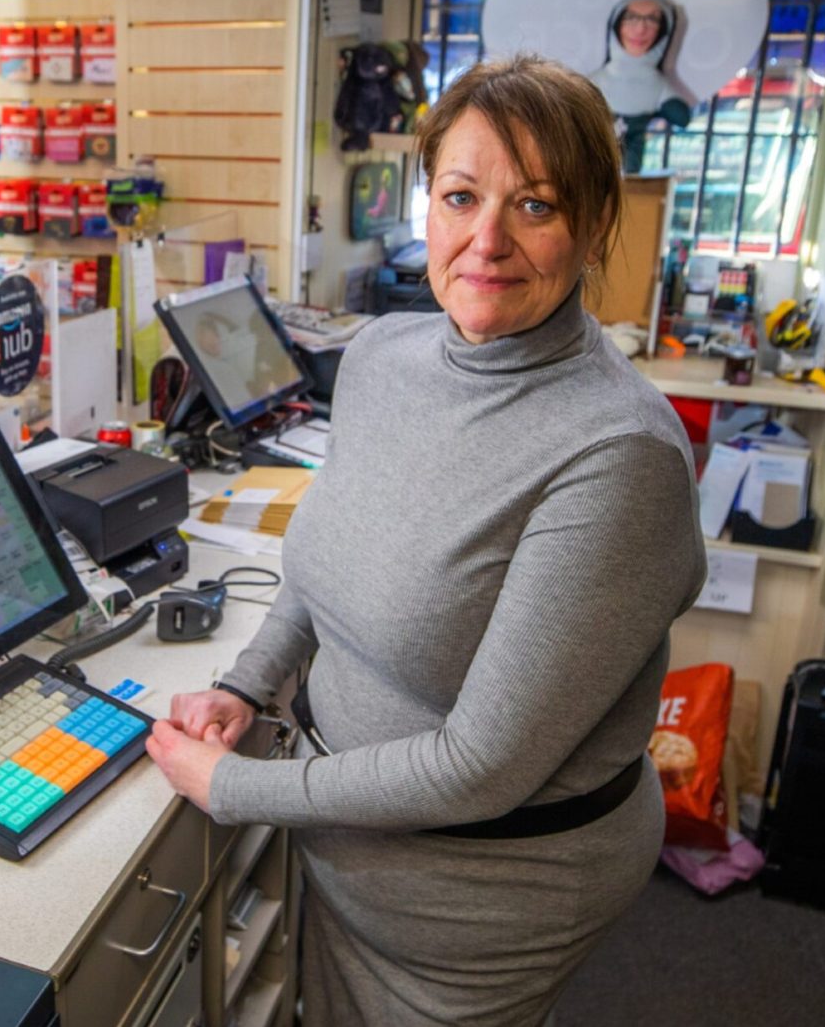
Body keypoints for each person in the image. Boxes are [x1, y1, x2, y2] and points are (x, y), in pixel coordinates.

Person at [144, 53, 708, 1026]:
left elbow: (480, 765)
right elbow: (321, 570)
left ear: (592, 228)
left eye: (534, 205)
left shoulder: (619, 455)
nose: (486, 241)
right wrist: (246, 686)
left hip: (479, 905)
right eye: (459, 197)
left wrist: (237, 788)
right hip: (344, 846)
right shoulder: (381, 354)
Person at [588, 0, 695, 172]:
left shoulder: (658, 85)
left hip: (632, 163)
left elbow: (681, 117)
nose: (640, 29)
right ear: (617, 24)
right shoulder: (594, 81)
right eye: (631, 17)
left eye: (652, 19)